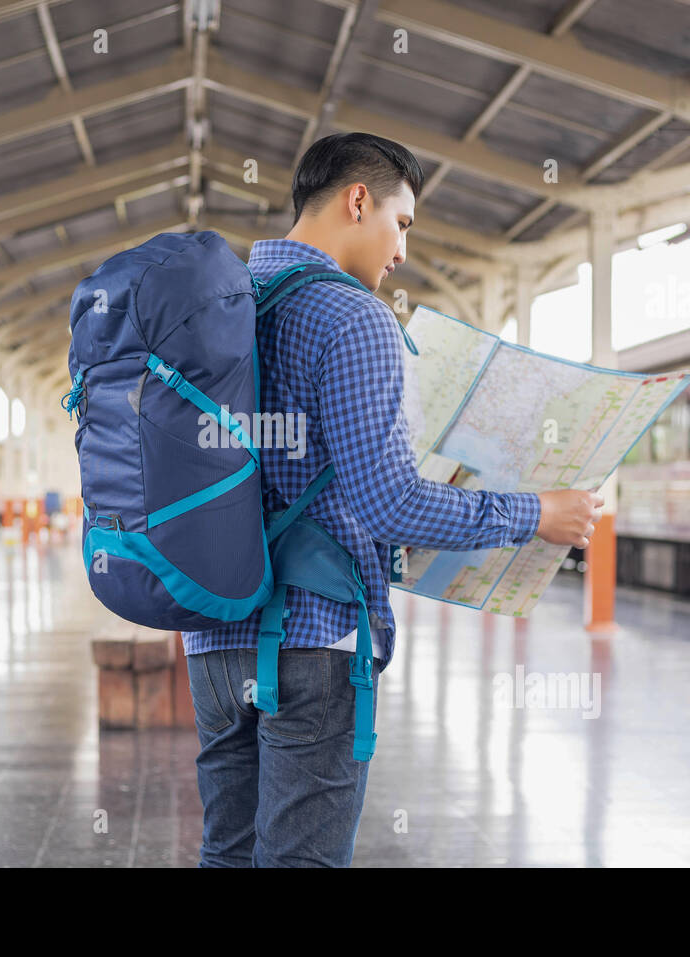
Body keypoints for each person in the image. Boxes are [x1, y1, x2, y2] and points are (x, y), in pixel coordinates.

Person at [181, 132, 602, 867]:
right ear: (357, 200)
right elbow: (390, 503)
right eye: (401, 222)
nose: (401, 251)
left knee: (228, 855)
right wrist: (536, 512)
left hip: (212, 639)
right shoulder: (354, 319)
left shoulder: (221, 304)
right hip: (313, 641)